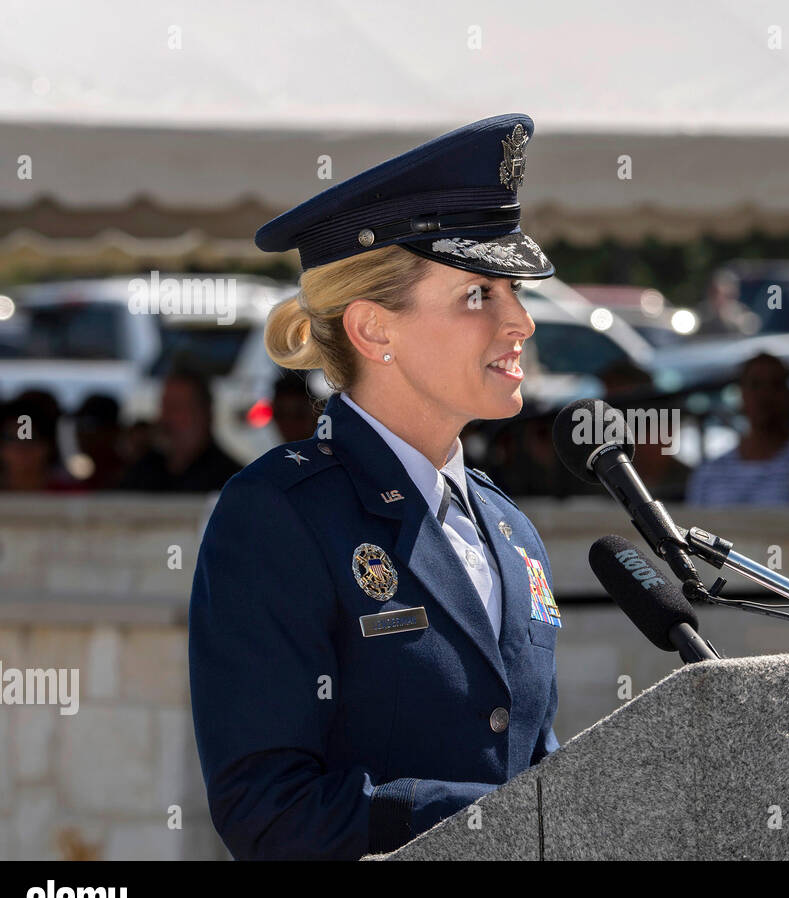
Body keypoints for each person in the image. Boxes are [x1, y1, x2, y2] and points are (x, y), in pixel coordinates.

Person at [189, 114, 562, 860]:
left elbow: (532, 759)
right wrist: (509, 827)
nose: (519, 319)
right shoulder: (281, 515)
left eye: (513, 291)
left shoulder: (507, 525)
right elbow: (266, 809)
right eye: (477, 294)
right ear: (372, 330)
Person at [686, 352, 789, 505]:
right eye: (755, 385)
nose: (765, 394)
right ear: (742, 395)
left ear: (788, 394)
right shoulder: (709, 472)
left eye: (775, 385)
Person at [118, 369, 241, 492]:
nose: (165, 418)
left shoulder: (230, 481)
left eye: (176, 408)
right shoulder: (144, 471)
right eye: (164, 407)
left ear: (204, 415)